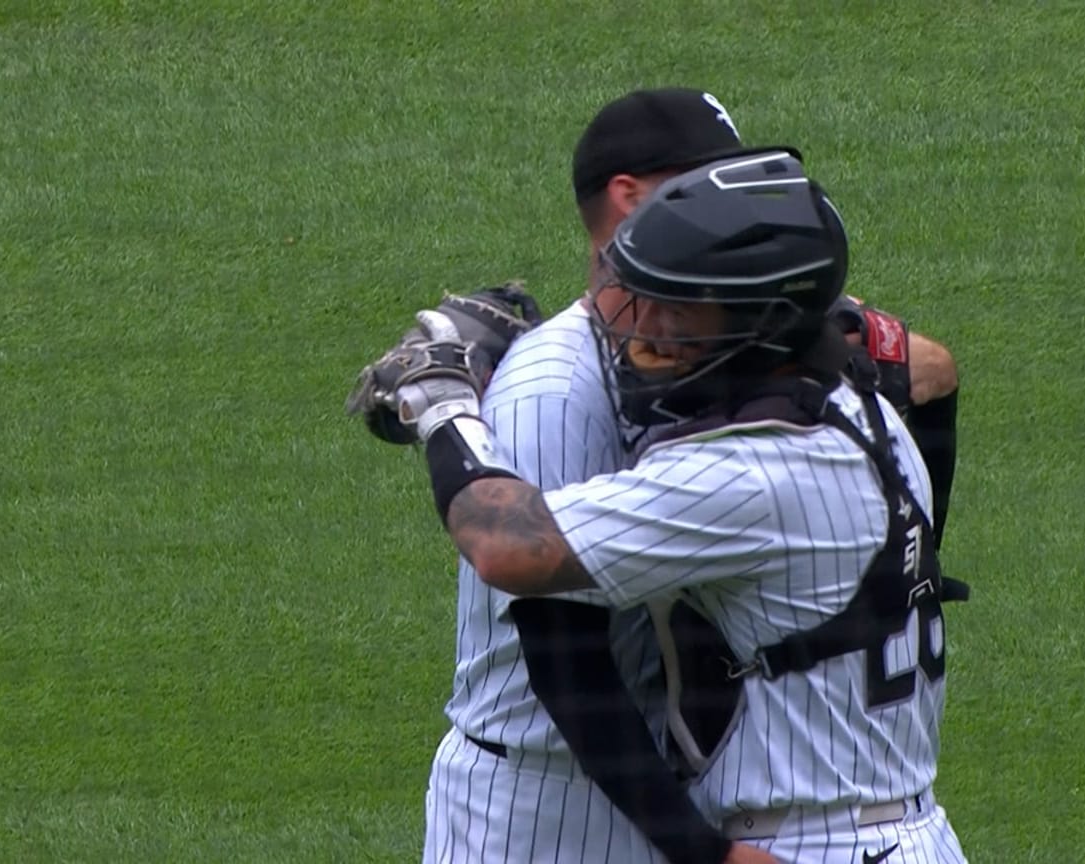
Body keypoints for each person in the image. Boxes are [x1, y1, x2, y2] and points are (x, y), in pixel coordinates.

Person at [379, 152, 966, 862]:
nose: (645, 331)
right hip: (906, 830)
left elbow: (507, 545)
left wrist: (443, 405)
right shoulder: (863, 411)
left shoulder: (747, 476)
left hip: (809, 844)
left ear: (763, 322)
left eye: (678, 308)